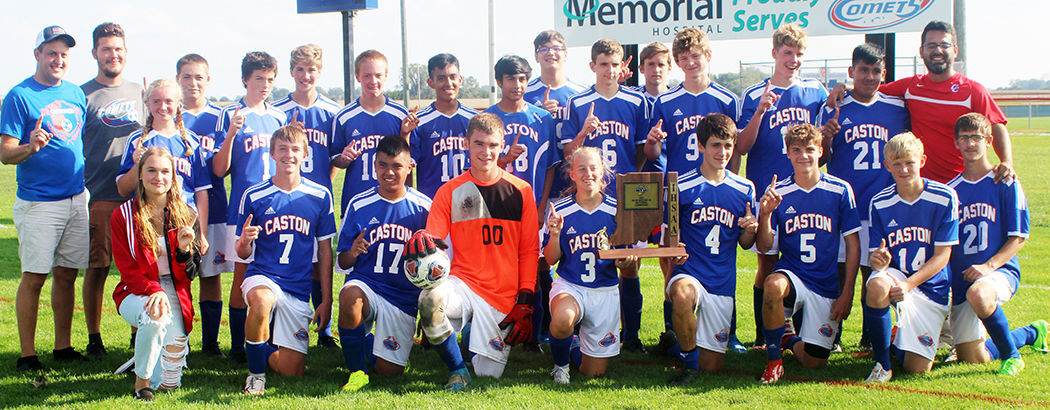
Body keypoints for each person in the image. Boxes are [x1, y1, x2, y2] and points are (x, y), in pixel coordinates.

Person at [415, 112, 539, 391]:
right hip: (464, 285)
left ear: (502, 145)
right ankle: (458, 371)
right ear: (466, 144)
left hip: (502, 296)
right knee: (429, 301)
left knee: (489, 376)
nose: (486, 152)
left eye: (493, 145)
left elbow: (530, 251)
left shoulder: (521, 191)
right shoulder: (449, 191)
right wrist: (423, 242)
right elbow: (434, 242)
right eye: (479, 144)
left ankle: (470, 332)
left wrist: (525, 301)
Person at [644, 29, 742, 352]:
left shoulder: (726, 99)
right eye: (683, 58)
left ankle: (729, 332)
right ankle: (672, 331)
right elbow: (654, 154)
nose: (690, 63)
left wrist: (730, 185)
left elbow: (734, 150)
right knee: (672, 259)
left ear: (708, 56)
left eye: (695, 56)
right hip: (678, 193)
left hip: (716, 189)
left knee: (722, 255)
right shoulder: (665, 101)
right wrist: (653, 143)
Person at [1, 25, 90, 371]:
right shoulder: (19, 95)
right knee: (35, 276)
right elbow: (5, 153)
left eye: (64, 54)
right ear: (37, 54)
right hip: (39, 202)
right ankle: (27, 354)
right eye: (51, 53)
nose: (58, 60)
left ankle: (62, 347)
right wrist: (30, 147)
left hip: (75, 198)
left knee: (67, 275)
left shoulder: (75, 93)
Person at [828, 21, 1014, 184]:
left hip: (960, 182)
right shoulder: (911, 86)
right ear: (921, 51)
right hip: (920, 187)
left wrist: (1007, 161)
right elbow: (871, 89)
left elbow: (996, 125)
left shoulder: (973, 90)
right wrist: (843, 86)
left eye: (944, 45)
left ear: (955, 51)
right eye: (931, 45)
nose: (937, 50)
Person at [734, 23, 827, 350]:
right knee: (767, 263)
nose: (794, 59)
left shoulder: (815, 91)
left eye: (799, 53)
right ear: (774, 53)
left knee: (805, 260)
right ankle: (765, 335)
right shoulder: (753, 93)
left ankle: (805, 332)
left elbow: (821, 145)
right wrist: (760, 111)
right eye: (788, 52)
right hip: (769, 189)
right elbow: (742, 146)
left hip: (805, 191)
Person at [818, 43, 910, 350]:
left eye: (875, 71)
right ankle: (831, 335)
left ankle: (871, 338)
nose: (869, 77)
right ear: (851, 71)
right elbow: (821, 159)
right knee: (839, 274)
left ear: (884, 73)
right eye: (863, 70)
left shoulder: (898, 108)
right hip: (844, 206)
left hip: (882, 206)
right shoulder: (833, 107)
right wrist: (827, 137)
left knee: (874, 274)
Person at [561, 38, 649, 353]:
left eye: (614, 64)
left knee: (629, 264)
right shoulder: (577, 102)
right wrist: (583, 132)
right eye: (603, 64)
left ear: (622, 66)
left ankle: (631, 334)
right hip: (586, 197)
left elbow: (641, 153)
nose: (609, 70)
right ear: (592, 66)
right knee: (579, 257)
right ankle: (574, 331)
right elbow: (567, 155)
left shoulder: (637, 101)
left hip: (621, 198)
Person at [755, 123, 861, 384]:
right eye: (796, 150)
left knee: (814, 362)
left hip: (825, 284)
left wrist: (847, 292)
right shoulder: (779, 192)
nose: (803, 155)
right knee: (773, 284)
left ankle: (788, 338)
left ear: (820, 151)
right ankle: (773, 362)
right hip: (793, 275)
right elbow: (765, 246)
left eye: (810, 149)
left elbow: (853, 244)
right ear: (788, 153)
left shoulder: (840, 190)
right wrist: (765, 215)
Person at [236, 124, 336, 394]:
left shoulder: (320, 195)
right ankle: (256, 376)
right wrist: (244, 241)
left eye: (294, 149)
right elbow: (242, 253)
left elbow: (325, 251)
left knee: (292, 371)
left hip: (297, 287)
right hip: (263, 275)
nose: (288, 155)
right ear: (272, 153)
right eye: (282, 149)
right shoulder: (254, 195)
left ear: (305, 154)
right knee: (261, 301)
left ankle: (260, 343)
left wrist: (326, 299)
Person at [946, 113, 1048, 376]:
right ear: (956, 143)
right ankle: (1032, 333)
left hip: (998, 271)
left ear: (989, 141)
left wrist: (988, 267)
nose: (970, 144)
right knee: (973, 358)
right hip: (962, 280)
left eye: (976, 137)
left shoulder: (1005, 182)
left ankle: (1012, 358)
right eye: (964, 138)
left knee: (980, 294)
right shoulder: (950, 190)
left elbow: (1018, 236)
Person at [662, 114, 757, 385]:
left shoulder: (744, 188)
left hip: (721, 281)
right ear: (701, 146)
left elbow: (745, 243)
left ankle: (673, 344)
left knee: (712, 366)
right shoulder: (680, 186)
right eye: (716, 145)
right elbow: (668, 238)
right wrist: (673, 253)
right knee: (682, 295)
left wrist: (751, 229)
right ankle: (689, 368)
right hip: (689, 272)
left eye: (728, 146)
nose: (722, 152)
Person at [336, 135, 431, 390]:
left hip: (402, 297)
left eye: (397, 166)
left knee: (389, 372)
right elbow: (342, 262)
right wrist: (352, 252)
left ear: (409, 167)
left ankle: (362, 340)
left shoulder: (424, 208)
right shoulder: (359, 203)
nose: (389, 172)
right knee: (349, 296)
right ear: (374, 166)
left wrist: (427, 308)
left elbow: (434, 265)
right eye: (383, 165)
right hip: (367, 285)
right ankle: (357, 371)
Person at [863, 132, 958, 383]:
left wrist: (908, 285)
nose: (903, 169)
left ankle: (898, 339)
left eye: (909, 162)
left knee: (916, 369)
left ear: (922, 161)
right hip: (898, 275)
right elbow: (877, 256)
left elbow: (943, 256)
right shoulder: (879, 202)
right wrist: (879, 260)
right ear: (887, 165)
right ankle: (882, 365)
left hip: (930, 287)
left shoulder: (944, 196)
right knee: (876, 284)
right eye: (897, 164)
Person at [212, 51, 287, 364]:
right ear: (245, 79)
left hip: (276, 207)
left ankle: (270, 340)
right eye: (259, 79)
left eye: (270, 79)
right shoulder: (230, 114)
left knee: (272, 273)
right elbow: (219, 169)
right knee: (241, 277)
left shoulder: (279, 116)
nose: (265, 85)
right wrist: (231, 133)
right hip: (244, 208)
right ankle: (237, 347)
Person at [111, 147, 201, 401]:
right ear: (140, 174)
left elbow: (190, 274)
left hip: (175, 289)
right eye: (151, 170)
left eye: (165, 171)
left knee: (169, 384)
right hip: (136, 289)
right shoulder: (123, 215)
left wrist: (184, 250)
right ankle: (141, 384)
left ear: (173, 177)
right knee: (155, 317)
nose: (158, 177)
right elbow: (128, 271)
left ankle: (146, 353)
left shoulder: (187, 213)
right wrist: (154, 290)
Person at [543, 146, 637, 384]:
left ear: (602, 172)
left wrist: (625, 260)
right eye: (582, 169)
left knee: (593, 373)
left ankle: (574, 346)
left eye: (593, 168)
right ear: (572, 174)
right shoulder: (560, 210)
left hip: (605, 290)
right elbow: (550, 259)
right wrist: (555, 235)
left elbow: (627, 259)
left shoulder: (617, 209)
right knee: (563, 319)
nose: (588, 174)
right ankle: (560, 367)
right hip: (571, 285)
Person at [484, 54, 558, 352]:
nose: (517, 85)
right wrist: (503, 160)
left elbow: (550, 166)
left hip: (532, 206)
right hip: (498, 207)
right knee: (497, 271)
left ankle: (533, 336)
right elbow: (481, 166)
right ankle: (494, 332)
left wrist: (541, 207)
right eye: (511, 79)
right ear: (499, 81)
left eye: (523, 79)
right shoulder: (488, 118)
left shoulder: (543, 118)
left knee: (536, 270)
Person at [273, 44, 343, 350]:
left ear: (320, 71)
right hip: (286, 197)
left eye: (311, 69)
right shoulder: (279, 111)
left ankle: (324, 329)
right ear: (291, 71)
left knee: (320, 261)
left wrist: (323, 185)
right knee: (288, 258)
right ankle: (283, 322)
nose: (305, 75)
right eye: (300, 69)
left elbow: (334, 157)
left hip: (317, 198)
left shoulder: (332, 111)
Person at [81, 22, 145, 358]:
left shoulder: (140, 92)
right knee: (98, 267)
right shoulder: (83, 94)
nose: (113, 54)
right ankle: (94, 337)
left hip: (139, 199)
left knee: (140, 267)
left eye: (118, 49)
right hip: (100, 195)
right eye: (106, 49)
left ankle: (139, 334)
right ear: (95, 53)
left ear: (126, 52)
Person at [175, 53, 230, 358]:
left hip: (214, 205)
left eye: (199, 77)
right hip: (176, 210)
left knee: (210, 274)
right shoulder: (170, 113)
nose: (193, 83)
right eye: (187, 76)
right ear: (178, 79)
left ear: (208, 80)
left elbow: (223, 166)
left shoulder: (219, 116)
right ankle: (176, 341)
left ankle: (210, 343)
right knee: (176, 275)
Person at [331, 50, 414, 214]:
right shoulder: (344, 116)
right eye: (367, 75)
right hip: (356, 199)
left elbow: (408, 161)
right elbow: (335, 159)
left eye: (378, 75)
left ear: (386, 76)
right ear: (357, 76)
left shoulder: (400, 114)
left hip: (392, 199)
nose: (373, 81)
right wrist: (344, 158)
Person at [410, 53, 478, 199]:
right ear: (431, 82)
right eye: (441, 78)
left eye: (453, 77)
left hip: (469, 201)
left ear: (460, 79)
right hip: (431, 201)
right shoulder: (420, 121)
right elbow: (408, 166)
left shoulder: (475, 119)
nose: (448, 83)